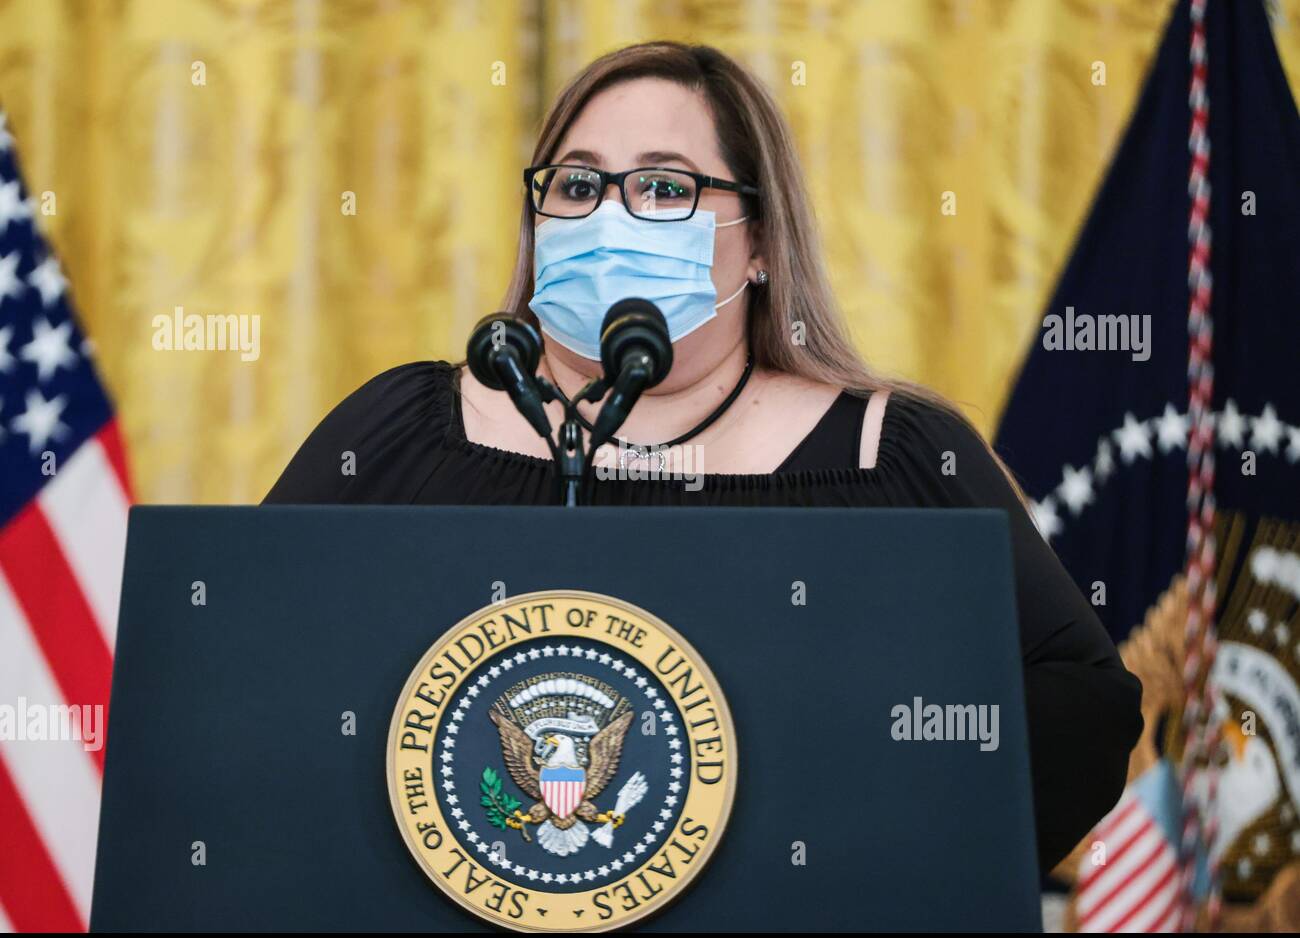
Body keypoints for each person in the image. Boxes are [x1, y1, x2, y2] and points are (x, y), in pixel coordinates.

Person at [265, 41, 1142, 874]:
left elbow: (1083, 709)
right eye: (576, 185)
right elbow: (245, 673)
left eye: (661, 186)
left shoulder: (894, 456)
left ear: (760, 241)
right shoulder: (404, 431)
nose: (608, 216)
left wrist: (832, 795)